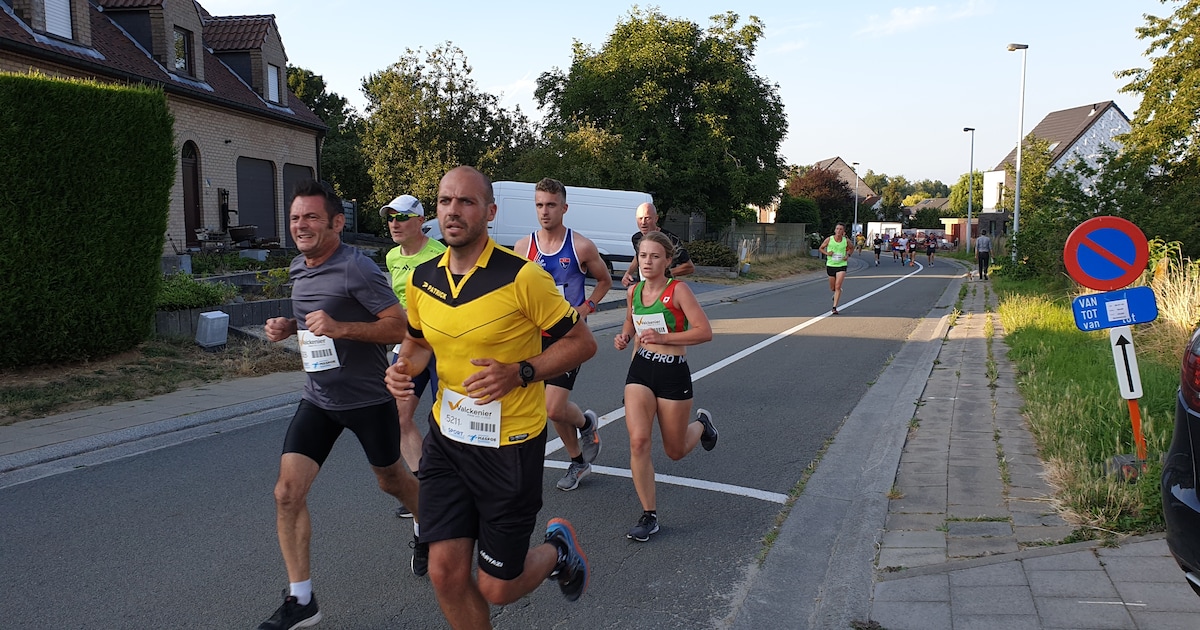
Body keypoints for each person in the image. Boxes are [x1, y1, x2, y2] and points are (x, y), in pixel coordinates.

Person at [385, 166, 595, 628]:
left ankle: (558, 552)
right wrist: (402, 369)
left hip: (509, 445)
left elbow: (582, 343)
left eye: (466, 202)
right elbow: (419, 343)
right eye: (444, 201)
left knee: (497, 585)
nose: (453, 211)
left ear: (490, 212)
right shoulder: (422, 279)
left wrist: (522, 372)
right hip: (447, 440)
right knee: (445, 573)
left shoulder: (523, 278)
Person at [258, 180, 420, 630]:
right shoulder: (297, 267)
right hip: (319, 398)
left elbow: (397, 327)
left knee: (392, 481)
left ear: (337, 222)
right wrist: (289, 327)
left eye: (311, 217)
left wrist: (340, 327)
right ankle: (302, 600)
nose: (301, 225)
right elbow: (316, 325)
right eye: (295, 218)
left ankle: (428, 525)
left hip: (368, 399)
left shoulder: (358, 269)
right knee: (287, 492)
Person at [612, 231, 718, 542]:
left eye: (654, 256)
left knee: (674, 450)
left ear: (667, 261)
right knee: (639, 442)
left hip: (673, 373)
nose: (647, 261)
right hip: (642, 371)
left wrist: (664, 338)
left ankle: (701, 425)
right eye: (643, 255)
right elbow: (631, 323)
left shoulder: (679, 290)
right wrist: (624, 337)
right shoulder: (634, 292)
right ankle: (649, 515)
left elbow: (704, 332)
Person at [514, 177, 612, 491]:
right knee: (538, 406)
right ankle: (578, 458)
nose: (545, 211)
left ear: (564, 208)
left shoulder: (581, 245)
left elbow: (605, 281)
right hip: (532, 336)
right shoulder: (523, 247)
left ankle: (584, 425)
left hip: (568, 336)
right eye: (540, 205)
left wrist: (588, 307)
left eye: (551, 205)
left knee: (553, 407)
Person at [382, 194, 446, 520]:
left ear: (421, 221)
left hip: (442, 347)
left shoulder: (440, 255)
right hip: (409, 345)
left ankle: (457, 485)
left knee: (446, 420)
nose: (395, 223)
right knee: (397, 415)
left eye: (402, 217)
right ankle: (424, 487)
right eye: (390, 217)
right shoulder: (392, 257)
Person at [621, 202, 694, 287]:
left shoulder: (670, 239)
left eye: (647, 218)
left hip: (664, 288)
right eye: (640, 218)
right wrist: (628, 273)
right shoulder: (636, 238)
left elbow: (689, 267)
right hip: (644, 288)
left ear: (656, 219)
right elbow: (638, 255)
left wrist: (665, 274)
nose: (643, 222)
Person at [820, 223, 852, 314]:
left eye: (840, 229)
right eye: (837, 229)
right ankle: (837, 292)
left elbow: (851, 248)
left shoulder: (846, 241)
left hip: (841, 265)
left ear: (843, 231)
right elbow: (821, 248)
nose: (838, 231)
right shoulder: (829, 239)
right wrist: (827, 253)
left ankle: (834, 307)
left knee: (838, 286)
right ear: (835, 230)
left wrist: (848, 255)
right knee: (833, 288)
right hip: (831, 265)